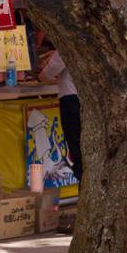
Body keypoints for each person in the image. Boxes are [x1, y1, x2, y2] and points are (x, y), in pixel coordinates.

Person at [39, 42, 82, 180]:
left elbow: (46, 74)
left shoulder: (68, 43)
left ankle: (82, 181)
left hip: (71, 99)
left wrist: (47, 68)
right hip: (86, 99)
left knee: (76, 146)